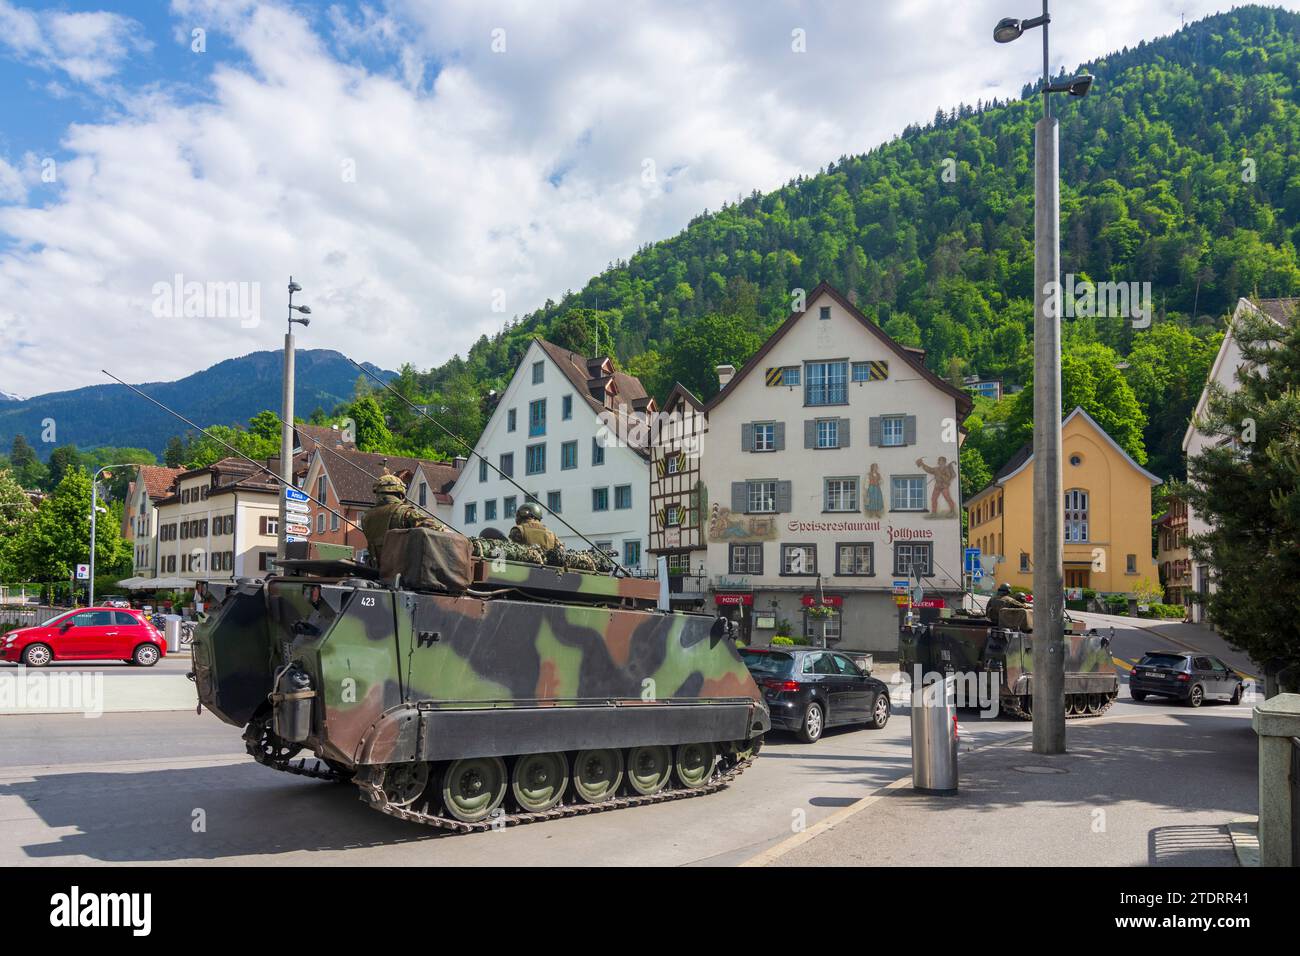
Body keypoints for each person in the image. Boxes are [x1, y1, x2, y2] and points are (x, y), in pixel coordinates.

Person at [361, 473, 446, 567]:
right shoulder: (405, 512)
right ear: (400, 493)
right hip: (404, 573)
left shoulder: (365, 517)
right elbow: (436, 530)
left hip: (378, 571)